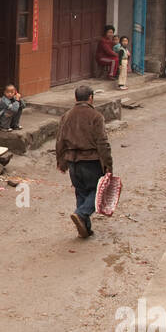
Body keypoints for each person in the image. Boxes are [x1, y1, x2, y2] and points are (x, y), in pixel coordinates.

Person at [55, 85, 114, 239]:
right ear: (91, 98)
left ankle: (85, 229)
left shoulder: (66, 116)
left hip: (73, 161)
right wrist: (108, 165)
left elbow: (60, 141)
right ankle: (81, 214)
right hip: (91, 161)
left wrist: (61, 161)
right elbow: (102, 143)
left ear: (75, 98)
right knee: (97, 193)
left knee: (81, 192)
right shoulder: (96, 116)